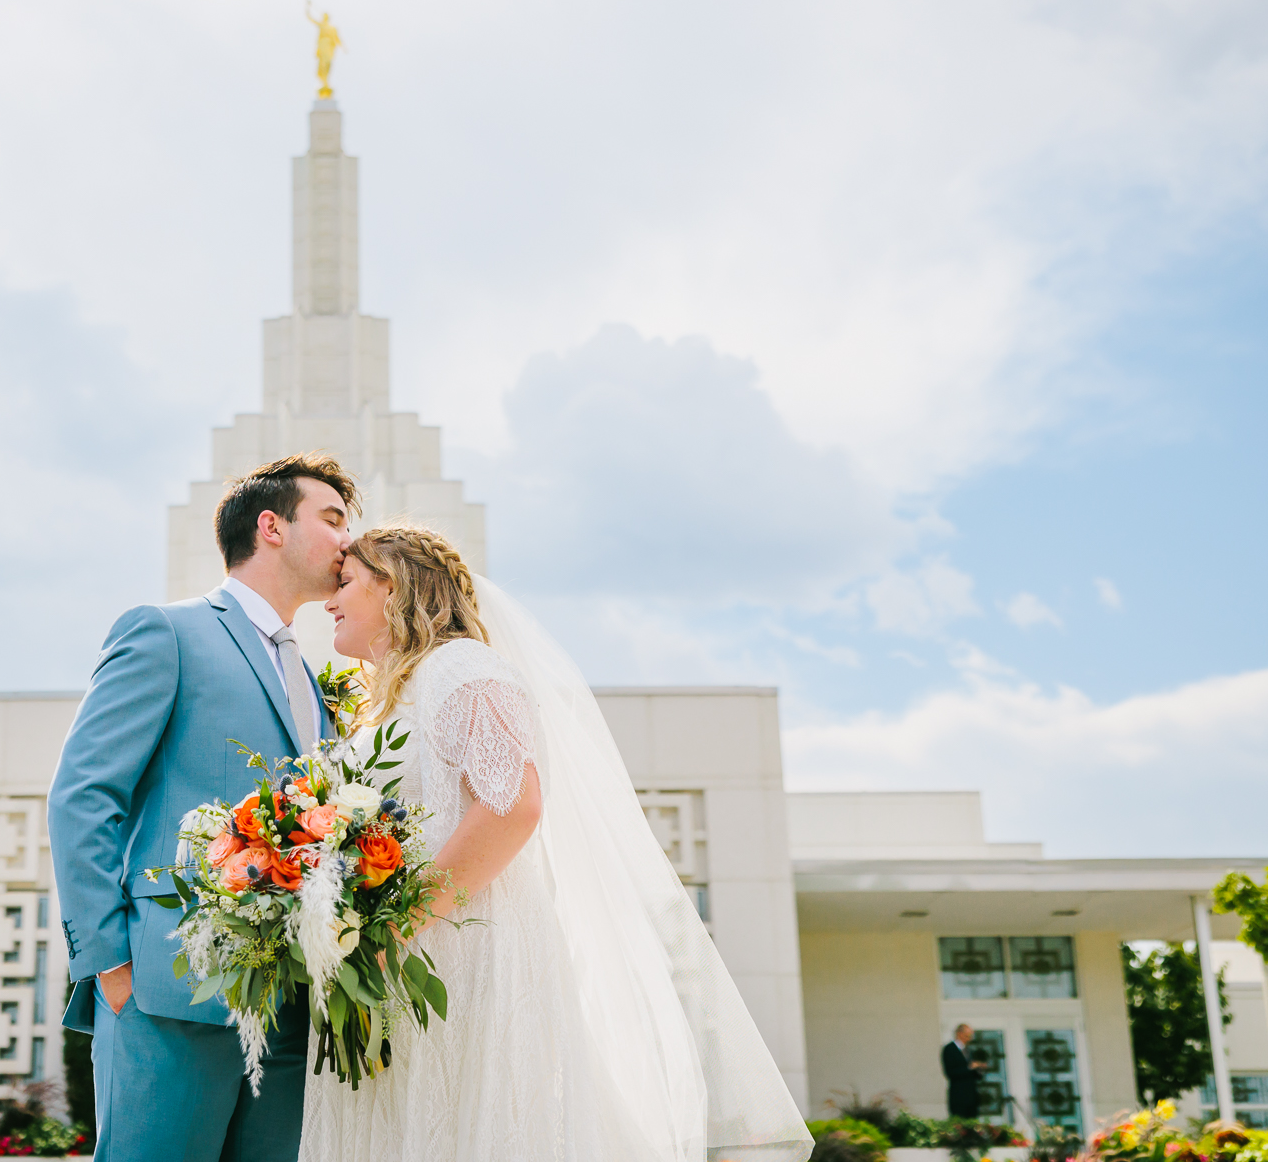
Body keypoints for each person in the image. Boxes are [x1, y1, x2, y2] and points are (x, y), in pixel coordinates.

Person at [298, 524, 813, 1162]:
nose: (328, 601)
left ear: (395, 586)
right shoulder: (397, 698)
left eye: (345, 582)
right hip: (407, 960)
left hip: (462, 953)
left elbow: (513, 806)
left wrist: (398, 926)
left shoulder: (462, 667)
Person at [50, 453, 358, 1162]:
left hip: (291, 1005)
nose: (348, 541)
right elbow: (84, 793)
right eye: (334, 518)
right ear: (271, 525)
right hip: (168, 985)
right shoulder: (165, 631)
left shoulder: (311, 678)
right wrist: (109, 961)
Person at [942, 1024, 989, 1120]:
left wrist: (979, 1069)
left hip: (971, 1096)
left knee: (973, 1126)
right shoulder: (949, 1049)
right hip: (958, 1096)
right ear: (959, 1034)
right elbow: (950, 1073)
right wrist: (969, 1067)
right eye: (967, 1036)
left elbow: (975, 1075)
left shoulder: (968, 1051)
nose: (969, 1039)